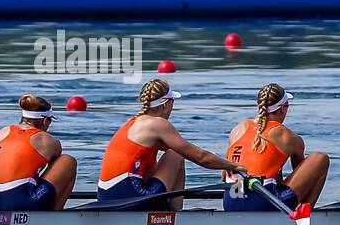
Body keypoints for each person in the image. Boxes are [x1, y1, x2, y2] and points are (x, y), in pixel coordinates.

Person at [97, 79, 247, 211]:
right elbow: (201, 158)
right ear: (166, 104)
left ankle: (169, 213)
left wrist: (217, 160)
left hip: (105, 197)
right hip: (130, 197)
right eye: (172, 103)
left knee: (172, 153)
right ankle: (175, 216)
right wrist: (233, 166)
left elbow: (193, 150)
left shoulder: (133, 123)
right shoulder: (158, 124)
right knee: (176, 156)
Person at [223, 82, 329, 211]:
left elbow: (225, 175)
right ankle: (305, 216)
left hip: (230, 201)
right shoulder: (287, 136)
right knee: (320, 158)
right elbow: (305, 182)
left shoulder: (237, 129)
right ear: (283, 108)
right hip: (262, 203)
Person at [0, 95, 78, 210]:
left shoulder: (0, 133)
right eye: (50, 121)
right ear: (44, 121)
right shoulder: (48, 141)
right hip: (23, 205)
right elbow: (58, 177)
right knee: (68, 161)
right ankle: (55, 217)